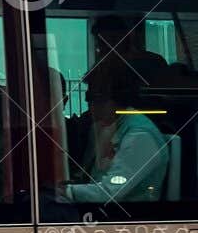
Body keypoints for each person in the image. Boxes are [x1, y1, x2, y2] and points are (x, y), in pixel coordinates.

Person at [63, 66, 172, 206]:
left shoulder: (140, 136)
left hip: (129, 219)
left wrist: (66, 192)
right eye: (87, 98)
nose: (90, 105)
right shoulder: (105, 127)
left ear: (117, 98)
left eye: (94, 98)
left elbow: (109, 192)